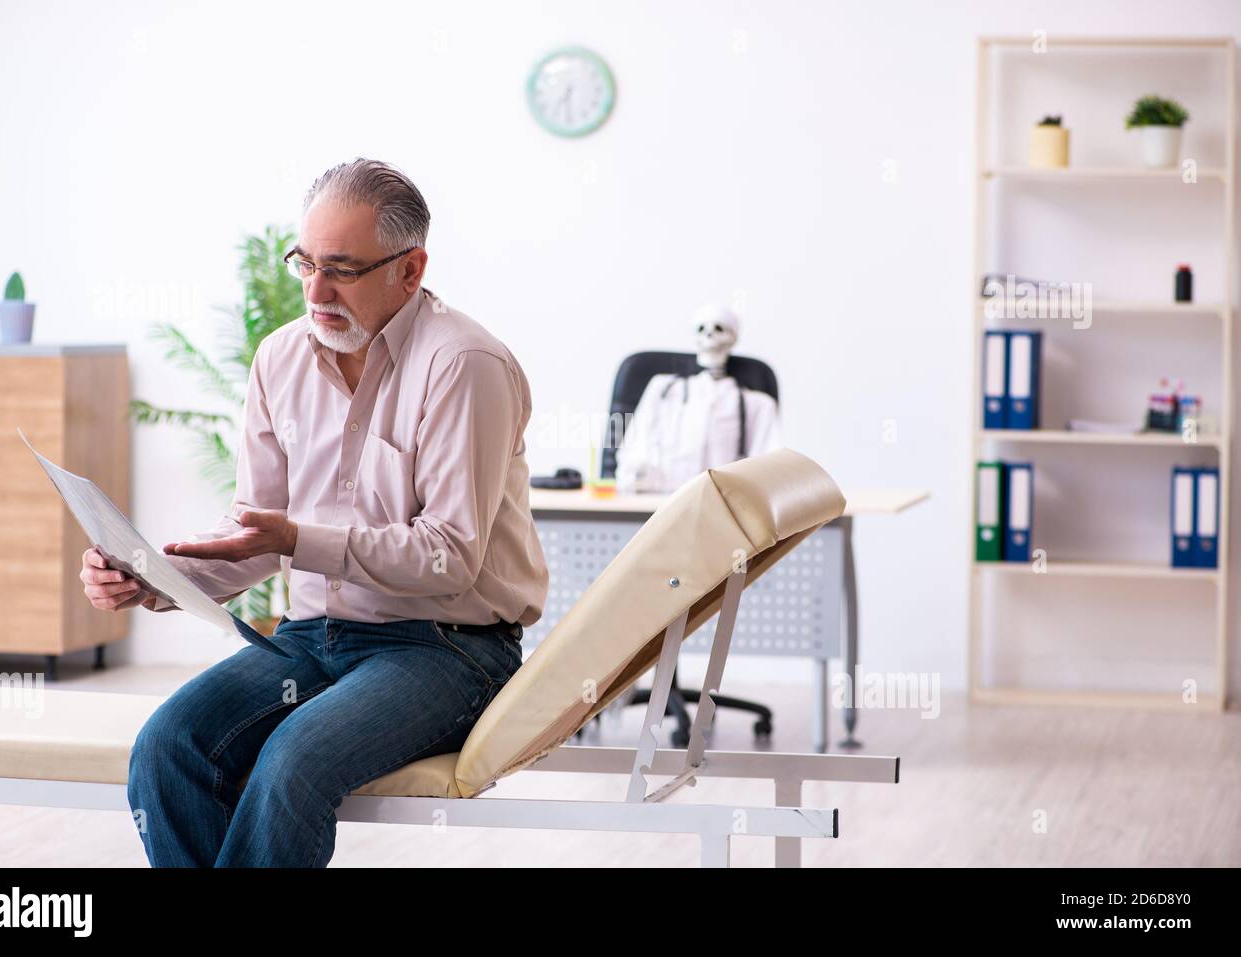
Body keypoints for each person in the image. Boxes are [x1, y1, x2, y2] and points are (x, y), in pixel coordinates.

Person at [79, 158, 548, 867]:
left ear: (410, 269)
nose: (315, 290)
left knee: (293, 762)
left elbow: (449, 555)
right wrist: (150, 577)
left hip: (447, 648)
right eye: (304, 262)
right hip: (310, 639)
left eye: (343, 269)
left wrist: (301, 537)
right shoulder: (281, 359)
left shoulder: (464, 365)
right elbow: (260, 539)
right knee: (168, 746)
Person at [614, 304, 782, 493]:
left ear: (733, 338)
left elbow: (767, 477)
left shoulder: (758, 405)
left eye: (719, 329)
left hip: (723, 511)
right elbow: (632, 459)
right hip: (657, 505)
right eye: (702, 330)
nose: (710, 336)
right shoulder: (662, 389)